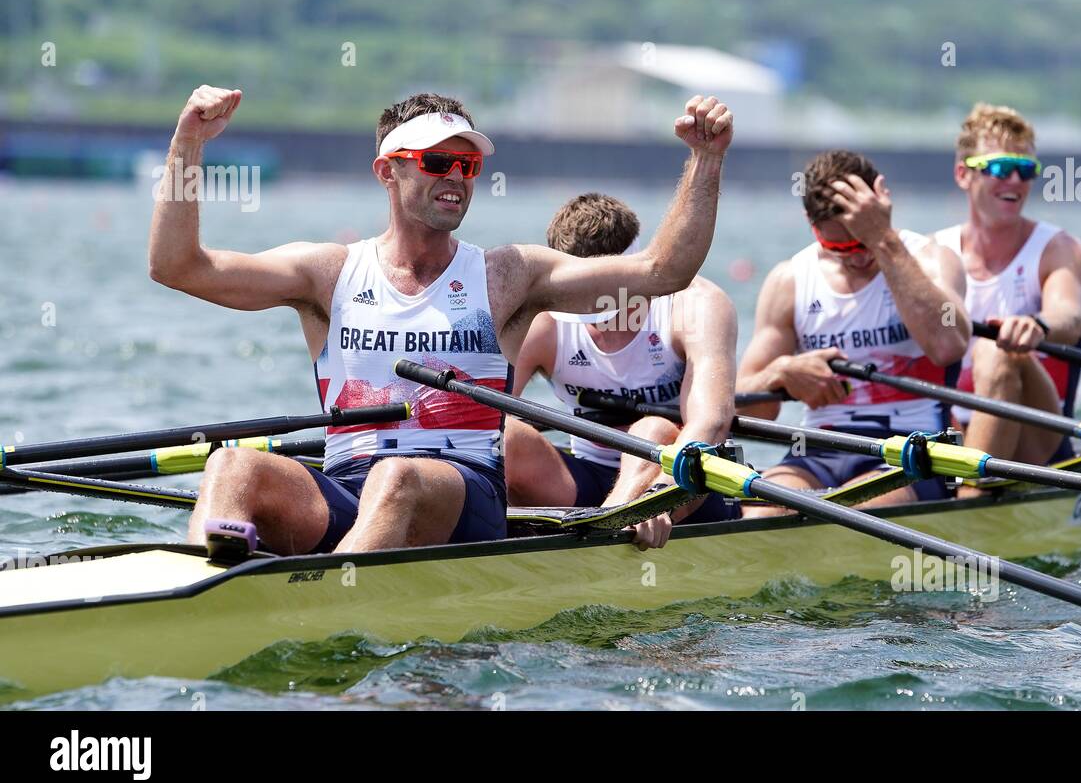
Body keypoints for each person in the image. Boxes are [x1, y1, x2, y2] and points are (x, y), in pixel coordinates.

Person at [149, 85, 733, 553]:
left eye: (468, 164)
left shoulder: (508, 275)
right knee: (231, 465)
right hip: (348, 488)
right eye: (436, 162)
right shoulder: (326, 273)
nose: (455, 176)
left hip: (464, 494)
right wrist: (188, 142)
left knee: (396, 478)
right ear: (387, 171)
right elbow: (179, 267)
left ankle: (324, 604)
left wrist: (706, 159)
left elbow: (663, 271)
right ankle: (190, 600)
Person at [736, 150, 970, 514]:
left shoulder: (932, 260)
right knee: (758, 516)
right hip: (819, 449)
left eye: (863, 242)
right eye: (840, 248)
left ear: (882, 200)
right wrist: (780, 372)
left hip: (915, 449)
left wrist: (883, 240)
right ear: (811, 224)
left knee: (849, 513)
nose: (859, 258)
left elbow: (948, 345)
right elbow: (745, 410)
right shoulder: (790, 280)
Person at [504, 193, 739, 549]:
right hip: (583, 482)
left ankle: (612, 524)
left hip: (681, 484)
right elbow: (484, 419)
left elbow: (712, 423)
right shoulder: (544, 323)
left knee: (652, 429)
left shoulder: (694, 306)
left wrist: (660, 496)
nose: (590, 306)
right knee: (506, 435)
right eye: (577, 291)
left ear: (634, 270)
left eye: (603, 290)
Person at [933, 104, 1081, 486]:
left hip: (1039, 438)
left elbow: (1069, 315)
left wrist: (1038, 325)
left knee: (997, 352)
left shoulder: (1059, 249)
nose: (1016, 181)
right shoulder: (933, 253)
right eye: (1002, 168)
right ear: (963, 174)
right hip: (949, 430)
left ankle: (970, 501)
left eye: (1026, 170)